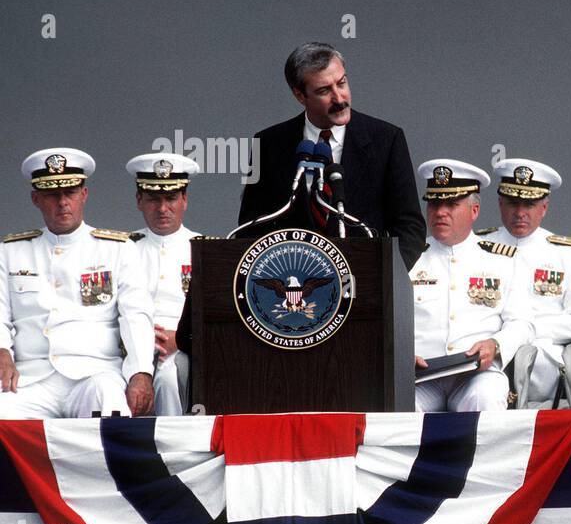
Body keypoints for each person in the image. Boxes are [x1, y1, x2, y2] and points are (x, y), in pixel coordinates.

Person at [235, 42, 426, 268]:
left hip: (365, 287)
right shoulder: (267, 144)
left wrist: (384, 279)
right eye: (324, 90)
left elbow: (409, 228)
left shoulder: (386, 139)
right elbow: (250, 227)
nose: (339, 98)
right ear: (300, 95)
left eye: (342, 83)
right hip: (292, 288)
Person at [0, 148, 154, 419]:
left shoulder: (118, 249)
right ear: (36, 198)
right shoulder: (10, 251)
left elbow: (136, 317)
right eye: (52, 194)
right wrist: (1, 351)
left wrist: (141, 372)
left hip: (95, 373)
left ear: (84, 194)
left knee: (110, 406)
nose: (62, 202)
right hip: (31, 378)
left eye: (70, 192)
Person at [408, 158, 533, 412]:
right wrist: (400, 356)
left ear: (474, 211)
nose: (440, 212)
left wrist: (496, 346)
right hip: (420, 375)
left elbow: (522, 323)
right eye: (434, 203)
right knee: (402, 407)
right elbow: (391, 320)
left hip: (476, 373)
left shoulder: (503, 260)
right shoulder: (409, 256)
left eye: (452, 204)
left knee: (485, 398)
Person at [475, 158, 571, 405]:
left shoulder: (569, 254)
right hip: (485, 352)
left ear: (544, 207)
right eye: (512, 203)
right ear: (500, 203)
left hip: (542, 363)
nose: (520, 213)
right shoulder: (476, 247)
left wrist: (522, 332)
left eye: (529, 204)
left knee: (530, 356)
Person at [127, 152, 200, 416]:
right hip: (128, 347)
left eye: (170, 198)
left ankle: (171, 454)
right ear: (139, 200)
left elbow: (213, 318)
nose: (162, 208)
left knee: (168, 379)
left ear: (184, 199)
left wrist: (181, 340)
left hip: (180, 348)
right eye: (153, 199)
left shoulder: (205, 250)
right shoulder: (121, 248)